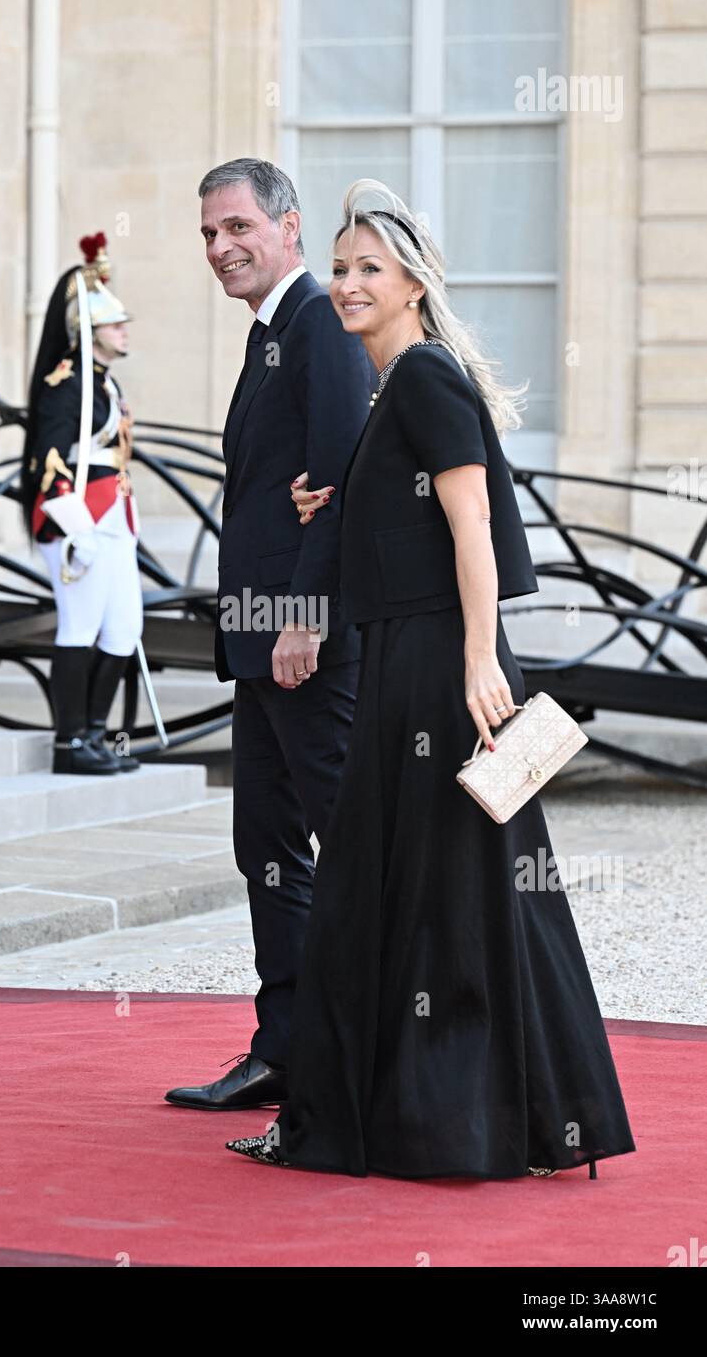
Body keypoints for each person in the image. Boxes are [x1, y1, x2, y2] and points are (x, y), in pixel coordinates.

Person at [225, 179, 637, 1179]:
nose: (348, 283)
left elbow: (472, 529)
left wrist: (478, 658)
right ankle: (497, 1120)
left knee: (419, 896)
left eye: (370, 267)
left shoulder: (417, 376)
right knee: (457, 894)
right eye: (339, 267)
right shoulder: (396, 389)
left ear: (414, 281)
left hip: (435, 672)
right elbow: (419, 517)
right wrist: (340, 503)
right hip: (412, 666)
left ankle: (441, 1120)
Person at [163, 159, 374, 1111]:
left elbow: (338, 482)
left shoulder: (322, 323)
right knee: (269, 848)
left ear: (289, 226)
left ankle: (367, 1061)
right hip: (263, 649)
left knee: (347, 843)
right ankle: (285, 1050)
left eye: (238, 226)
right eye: (209, 233)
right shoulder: (271, 334)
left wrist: (305, 617)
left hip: (304, 647)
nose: (221, 248)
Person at [21, 233, 143, 776]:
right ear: (89, 332)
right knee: (80, 625)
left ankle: (94, 733)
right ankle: (68, 743)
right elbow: (49, 460)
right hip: (76, 520)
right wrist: (75, 527)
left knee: (124, 629)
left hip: (114, 515)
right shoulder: (64, 385)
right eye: (115, 324)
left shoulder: (104, 384)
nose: (123, 331)